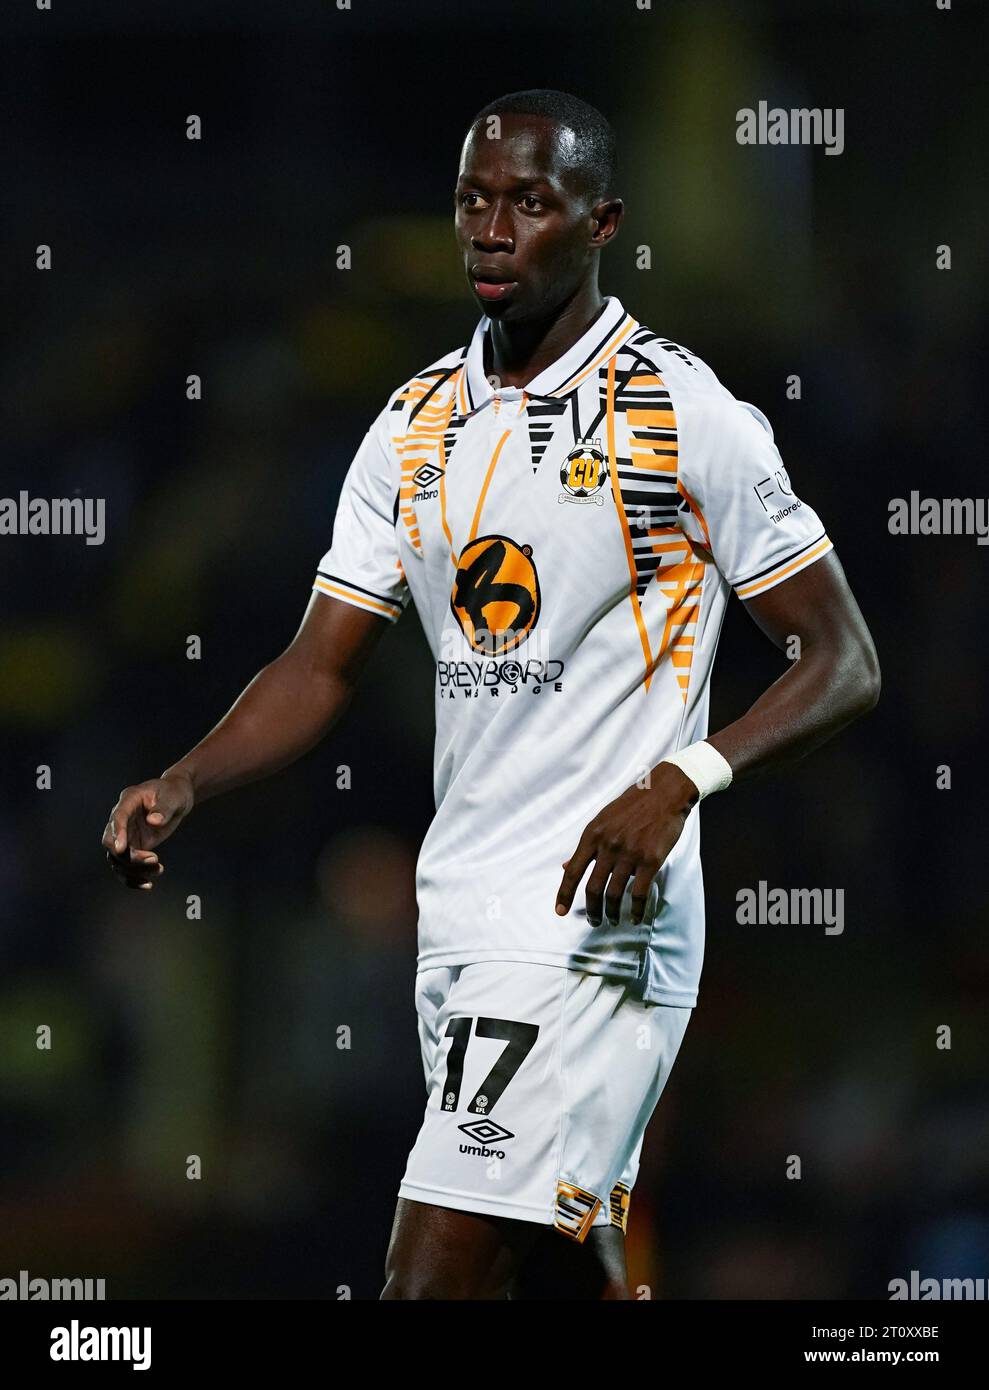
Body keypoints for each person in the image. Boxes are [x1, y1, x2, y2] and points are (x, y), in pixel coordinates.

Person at [102, 89, 880, 1300]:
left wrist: (684, 776)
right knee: (561, 1267)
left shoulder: (682, 411)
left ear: (600, 221)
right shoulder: (413, 425)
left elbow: (842, 658)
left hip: (594, 919)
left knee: (431, 1275)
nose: (491, 227)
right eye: (474, 198)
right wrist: (186, 778)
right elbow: (317, 663)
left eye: (529, 201)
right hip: (459, 911)